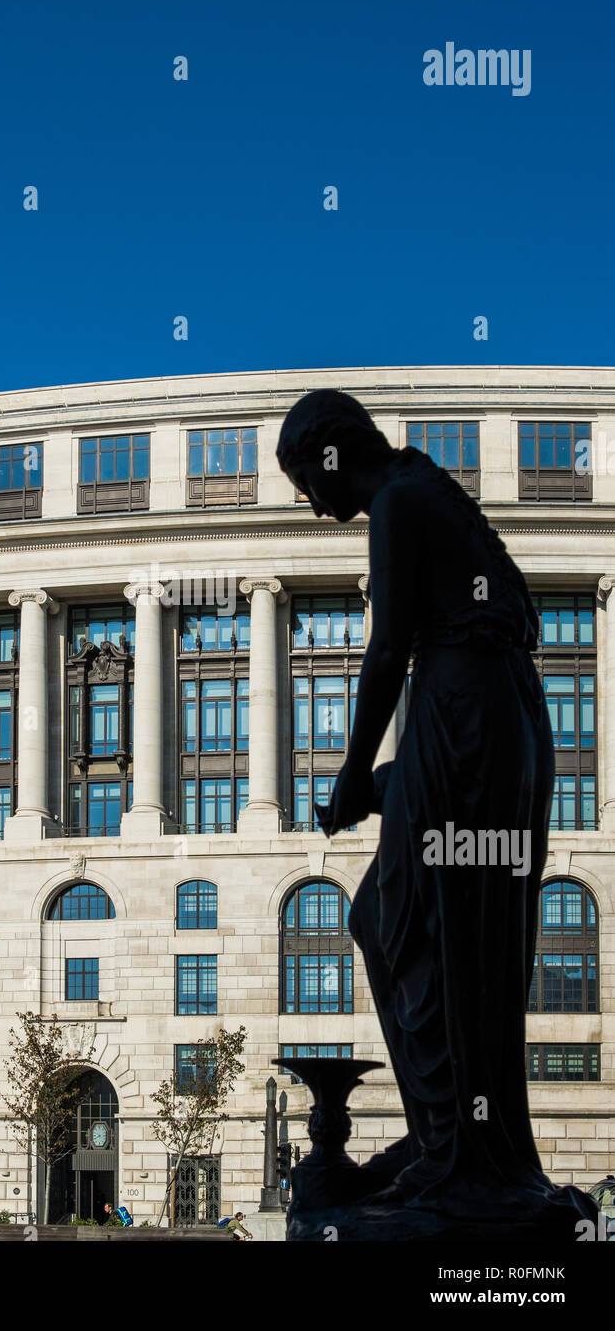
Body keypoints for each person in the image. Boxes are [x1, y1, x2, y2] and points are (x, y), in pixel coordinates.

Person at [276, 389, 596, 1228]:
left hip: (462, 710)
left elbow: (389, 647)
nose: (313, 502)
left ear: (334, 451)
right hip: (486, 716)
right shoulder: (432, 493)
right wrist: (394, 783)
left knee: (402, 917)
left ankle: (459, 1148)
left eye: (308, 478)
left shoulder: (399, 501)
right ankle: (457, 1140)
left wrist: (353, 773)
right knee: (429, 920)